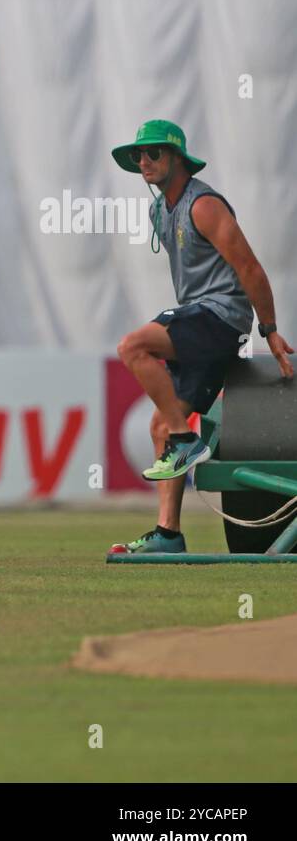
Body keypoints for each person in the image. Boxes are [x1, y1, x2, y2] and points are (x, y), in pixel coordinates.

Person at [110, 119, 292, 555]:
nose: (145, 161)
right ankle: (169, 533)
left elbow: (250, 268)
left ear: (178, 159)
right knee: (159, 427)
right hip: (200, 322)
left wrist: (268, 330)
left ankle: (186, 439)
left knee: (132, 346)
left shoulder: (203, 205)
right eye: (139, 155)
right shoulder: (160, 210)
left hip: (220, 319)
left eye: (154, 153)